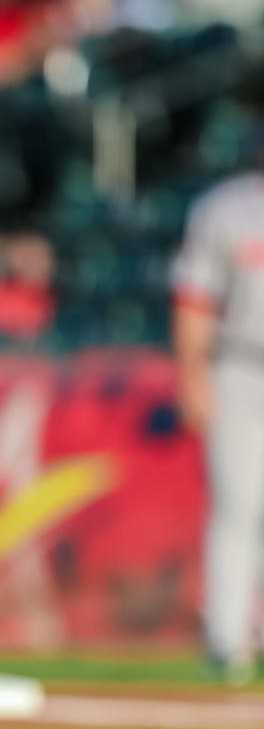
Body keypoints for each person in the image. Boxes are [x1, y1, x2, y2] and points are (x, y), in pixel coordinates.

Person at [171, 148, 264, 688]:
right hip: (242, 365)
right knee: (237, 506)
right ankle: (229, 641)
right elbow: (195, 297)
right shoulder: (227, 209)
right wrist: (192, 373)